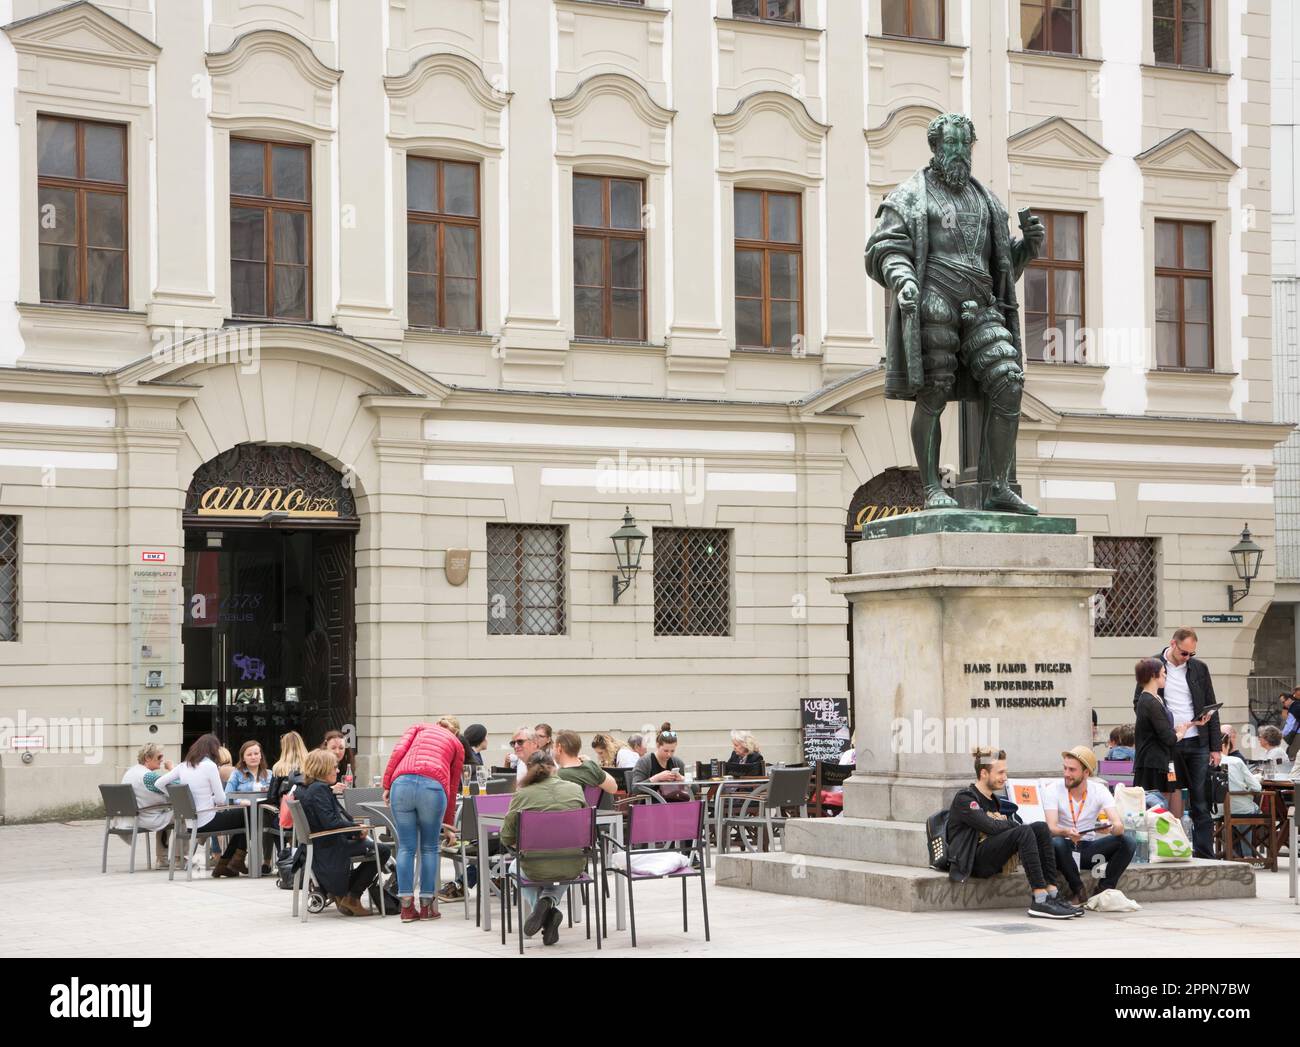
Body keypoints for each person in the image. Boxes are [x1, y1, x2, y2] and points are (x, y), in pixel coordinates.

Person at [945, 747, 1079, 919]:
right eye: (1000, 773)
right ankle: (1039, 899)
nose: (1005, 778)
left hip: (990, 854)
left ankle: (1052, 893)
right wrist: (1009, 823)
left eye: (1005, 772)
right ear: (984, 773)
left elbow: (998, 827)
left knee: (1040, 827)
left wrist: (1005, 823)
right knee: (1023, 831)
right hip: (971, 861)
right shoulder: (966, 799)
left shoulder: (995, 800)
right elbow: (991, 827)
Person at [1133, 628, 1223, 859]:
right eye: (1184, 653)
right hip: (1169, 744)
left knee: (1201, 800)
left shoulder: (1199, 668)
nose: (1188, 658)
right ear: (1173, 644)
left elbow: (1211, 705)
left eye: (1192, 654)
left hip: (1197, 741)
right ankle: (1167, 848)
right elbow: (1139, 701)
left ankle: (1204, 853)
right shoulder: (1154, 666)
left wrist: (1215, 746)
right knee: (1168, 796)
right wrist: (1163, 726)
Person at [500, 751, 587, 947]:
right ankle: (548, 905)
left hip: (535, 865)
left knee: (514, 867)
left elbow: (506, 836)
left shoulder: (522, 795)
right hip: (572, 863)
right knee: (567, 864)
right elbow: (584, 827)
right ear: (554, 768)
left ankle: (545, 911)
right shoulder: (575, 789)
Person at [382, 720, 463, 923]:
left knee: (406, 848)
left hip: (402, 784)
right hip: (433, 788)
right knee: (429, 848)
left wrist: (386, 784)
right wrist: (448, 823)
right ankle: (427, 907)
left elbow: (397, 753)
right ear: (455, 732)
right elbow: (453, 785)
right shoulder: (456, 743)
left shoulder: (418, 727)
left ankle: (407, 907)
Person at [298, 749, 391, 916]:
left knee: (375, 847)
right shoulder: (319, 790)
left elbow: (329, 821)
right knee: (382, 850)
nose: (338, 770)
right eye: (334, 767)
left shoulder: (313, 788)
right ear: (323, 768)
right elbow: (330, 822)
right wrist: (356, 829)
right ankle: (352, 896)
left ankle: (346, 893)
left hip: (324, 844)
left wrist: (355, 829)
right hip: (331, 846)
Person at [1043, 746, 1136, 905]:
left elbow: (1118, 825)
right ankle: (1078, 891)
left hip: (1087, 849)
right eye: (1065, 768)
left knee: (1127, 841)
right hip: (1063, 849)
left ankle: (1103, 889)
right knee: (1056, 842)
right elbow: (1050, 828)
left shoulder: (1099, 790)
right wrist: (1066, 831)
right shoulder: (1052, 789)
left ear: (1086, 773)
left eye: (1072, 770)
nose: (1066, 774)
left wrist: (1111, 828)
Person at [152, 734, 251, 876]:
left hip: (191, 823)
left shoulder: (183, 766)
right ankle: (231, 861)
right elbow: (221, 800)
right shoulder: (210, 766)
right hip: (207, 820)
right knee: (248, 815)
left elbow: (158, 783)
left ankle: (227, 863)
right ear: (213, 750)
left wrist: (176, 796)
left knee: (244, 819)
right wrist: (211, 800)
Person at [1133, 656, 1204, 819]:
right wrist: (1180, 733)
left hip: (1168, 762)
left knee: (1175, 791)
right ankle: (1166, 841)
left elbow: (1163, 730)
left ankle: (1175, 840)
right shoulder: (1148, 701)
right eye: (1163, 673)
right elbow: (1168, 738)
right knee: (1161, 809)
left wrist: (1190, 725)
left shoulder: (1156, 699)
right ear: (1153, 675)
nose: (1166, 676)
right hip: (1156, 764)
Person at [118, 743, 174, 868]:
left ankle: (163, 859)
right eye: (159, 757)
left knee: (167, 814)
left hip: (131, 817)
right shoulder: (148, 776)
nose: (162, 760)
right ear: (147, 758)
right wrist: (172, 770)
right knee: (184, 815)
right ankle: (179, 858)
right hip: (146, 817)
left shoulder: (131, 771)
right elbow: (174, 788)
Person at [1218, 734, 1263, 858]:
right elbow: (1257, 788)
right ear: (1224, 746)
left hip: (1215, 810)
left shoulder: (1203, 762)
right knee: (1250, 810)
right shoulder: (1236, 761)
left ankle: (1231, 852)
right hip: (1240, 808)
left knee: (1235, 812)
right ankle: (1247, 855)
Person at [629, 723, 688, 800]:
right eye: (665, 750)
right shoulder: (644, 762)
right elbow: (635, 789)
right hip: (651, 805)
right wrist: (657, 778)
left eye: (672, 751)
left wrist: (682, 778)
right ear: (657, 745)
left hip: (675, 804)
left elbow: (696, 788)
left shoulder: (677, 762)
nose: (669, 754)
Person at [554, 731, 617, 796]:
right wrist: (593, 765)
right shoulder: (591, 768)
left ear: (559, 748)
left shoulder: (557, 776)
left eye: (554, 747)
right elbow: (613, 788)